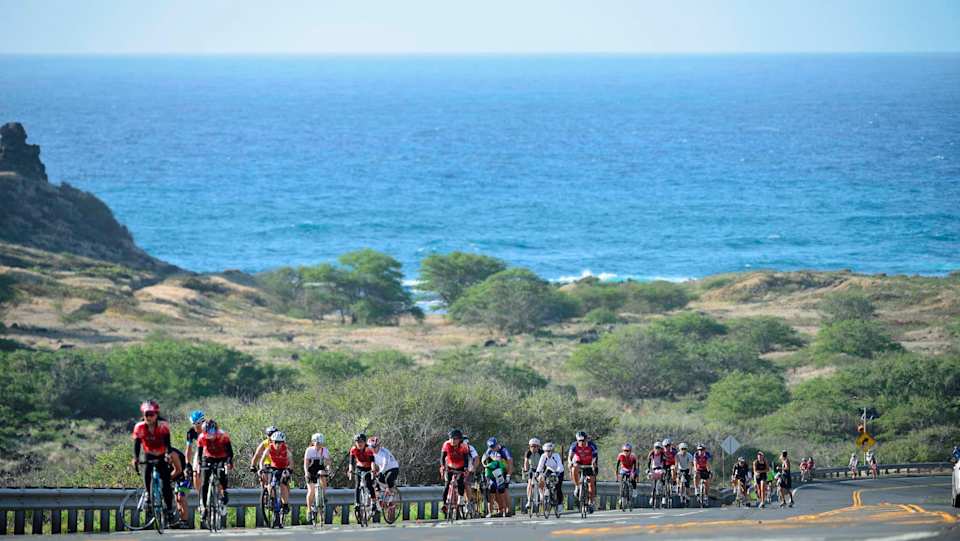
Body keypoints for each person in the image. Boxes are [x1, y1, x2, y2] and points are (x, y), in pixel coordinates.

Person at [131, 400, 176, 524]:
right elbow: (137, 445)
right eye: (146, 414)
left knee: (166, 484)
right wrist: (135, 458)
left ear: (156, 414)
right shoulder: (139, 427)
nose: (149, 417)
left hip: (161, 454)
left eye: (151, 414)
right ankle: (149, 497)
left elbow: (168, 444)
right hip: (148, 454)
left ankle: (169, 509)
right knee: (147, 474)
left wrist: (168, 455)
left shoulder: (163, 425)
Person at [197, 419, 234, 525]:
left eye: (212, 434)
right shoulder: (201, 437)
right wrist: (200, 465)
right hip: (208, 457)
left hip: (222, 457)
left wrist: (228, 462)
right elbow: (200, 454)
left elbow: (230, 453)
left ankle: (224, 492)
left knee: (222, 474)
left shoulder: (223, 436)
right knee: (204, 483)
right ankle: (204, 508)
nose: (210, 437)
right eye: (208, 434)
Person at [260, 430, 294, 518]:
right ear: (272, 441)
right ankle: (271, 499)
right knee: (270, 484)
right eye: (276, 442)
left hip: (284, 468)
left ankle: (285, 504)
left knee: (283, 484)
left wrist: (289, 470)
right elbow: (262, 460)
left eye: (280, 442)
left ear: (283, 442)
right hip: (273, 468)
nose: (278, 444)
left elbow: (291, 461)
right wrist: (261, 469)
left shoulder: (286, 449)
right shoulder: (269, 448)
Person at [440, 429, 470, 516]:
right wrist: (442, 466)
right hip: (449, 466)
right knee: (447, 484)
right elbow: (442, 457)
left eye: (455, 439)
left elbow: (466, 459)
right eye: (451, 438)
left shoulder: (464, 446)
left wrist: (465, 468)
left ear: (459, 439)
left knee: (461, 483)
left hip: (460, 466)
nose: (453, 440)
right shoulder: (446, 444)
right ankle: (444, 504)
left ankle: (460, 500)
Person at [303, 433, 332, 522]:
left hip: (320, 470)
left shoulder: (325, 451)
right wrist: (306, 472)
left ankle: (323, 495)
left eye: (320, 443)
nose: (318, 445)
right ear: (313, 442)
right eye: (316, 443)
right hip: (311, 470)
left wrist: (328, 469)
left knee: (323, 478)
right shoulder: (309, 450)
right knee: (311, 491)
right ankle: (309, 509)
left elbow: (328, 463)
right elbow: (306, 463)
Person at [347, 433, 379, 515]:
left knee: (369, 485)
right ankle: (357, 503)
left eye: (361, 442)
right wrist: (350, 470)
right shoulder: (353, 449)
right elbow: (351, 462)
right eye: (357, 442)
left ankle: (373, 502)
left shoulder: (369, 449)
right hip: (359, 467)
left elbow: (372, 461)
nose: (359, 444)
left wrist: (372, 470)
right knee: (357, 485)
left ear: (365, 442)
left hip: (369, 467)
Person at [483, 437, 514, 515]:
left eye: (493, 446)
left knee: (504, 490)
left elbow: (510, 463)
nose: (492, 448)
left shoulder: (504, 450)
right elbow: (483, 460)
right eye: (491, 447)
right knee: (495, 490)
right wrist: (485, 465)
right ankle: (500, 509)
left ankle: (508, 510)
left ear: (497, 444)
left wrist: (508, 475)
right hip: (495, 472)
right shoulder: (490, 450)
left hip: (505, 471)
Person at [569, 431, 598, 512]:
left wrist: (593, 464)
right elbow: (570, 456)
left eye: (583, 441)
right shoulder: (574, 445)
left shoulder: (592, 445)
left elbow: (595, 458)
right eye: (579, 441)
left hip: (590, 462)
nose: (581, 442)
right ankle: (577, 486)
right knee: (574, 468)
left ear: (586, 439)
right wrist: (569, 462)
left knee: (591, 483)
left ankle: (591, 502)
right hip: (579, 461)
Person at [250, 426, 279, 491]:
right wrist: (253, 465)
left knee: (272, 483)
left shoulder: (280, 443)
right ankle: (265, 493)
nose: (271, 436)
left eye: (272, 434)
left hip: (276, 464)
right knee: (262, 478)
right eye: (269, 434)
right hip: (266, 464)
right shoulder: (265, 443)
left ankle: (273, 496)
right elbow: (257, 455)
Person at [536, 442, 564, 507]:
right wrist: (537, 472)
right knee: (543, 479)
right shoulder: (543, 456)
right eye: (545, 451)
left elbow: (559, 465)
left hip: (559, 471)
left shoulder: (556, 455)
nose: (547, 453)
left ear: (552, 451)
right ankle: (546, 494)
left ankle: (559, 504)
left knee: (558, 487)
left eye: (549, 451)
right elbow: (540, 465)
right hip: (549, 470)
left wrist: (557, 472)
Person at [484, 451, 510, 517]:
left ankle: (490, 513)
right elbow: (505, 468)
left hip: (493, 481)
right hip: (500, 480)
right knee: (502, 497)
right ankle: (504, 512)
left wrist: (487, 484)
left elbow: (487, 476)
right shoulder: (498, 463)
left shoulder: (487, 466)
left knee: (491, 499)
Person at [523, 438, 542, 512]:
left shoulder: (541, 452)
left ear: (538, 447)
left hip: (540, 469)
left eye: (535, 446)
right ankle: (528, 500)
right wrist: (526, 470)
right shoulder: (528, 453)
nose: (533, 448)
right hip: (532, 469)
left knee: (541, 481)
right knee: (530, 483)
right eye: (531, 446)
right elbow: (526, 462)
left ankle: (542, 497)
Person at [647, 441, 667, 507]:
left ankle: (663, 497)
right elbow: (649, 462)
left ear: (661, 448)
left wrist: (664, 469)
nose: (657, 449)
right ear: (654, 448)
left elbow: (664, 463)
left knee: (662, 480)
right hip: (654, 469)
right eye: (656, 448)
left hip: (660, 468)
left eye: (659, 448)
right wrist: (648, 469)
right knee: (653, 484)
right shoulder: (651, 453)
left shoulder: (663, 454)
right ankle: (652, 497)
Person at [463, 436, 481, 506]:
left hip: (469, 469)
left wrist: (473, 467)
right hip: (460, 469)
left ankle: (469, 502)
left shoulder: (471, 448)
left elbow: (476, 458)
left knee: (466, 483)